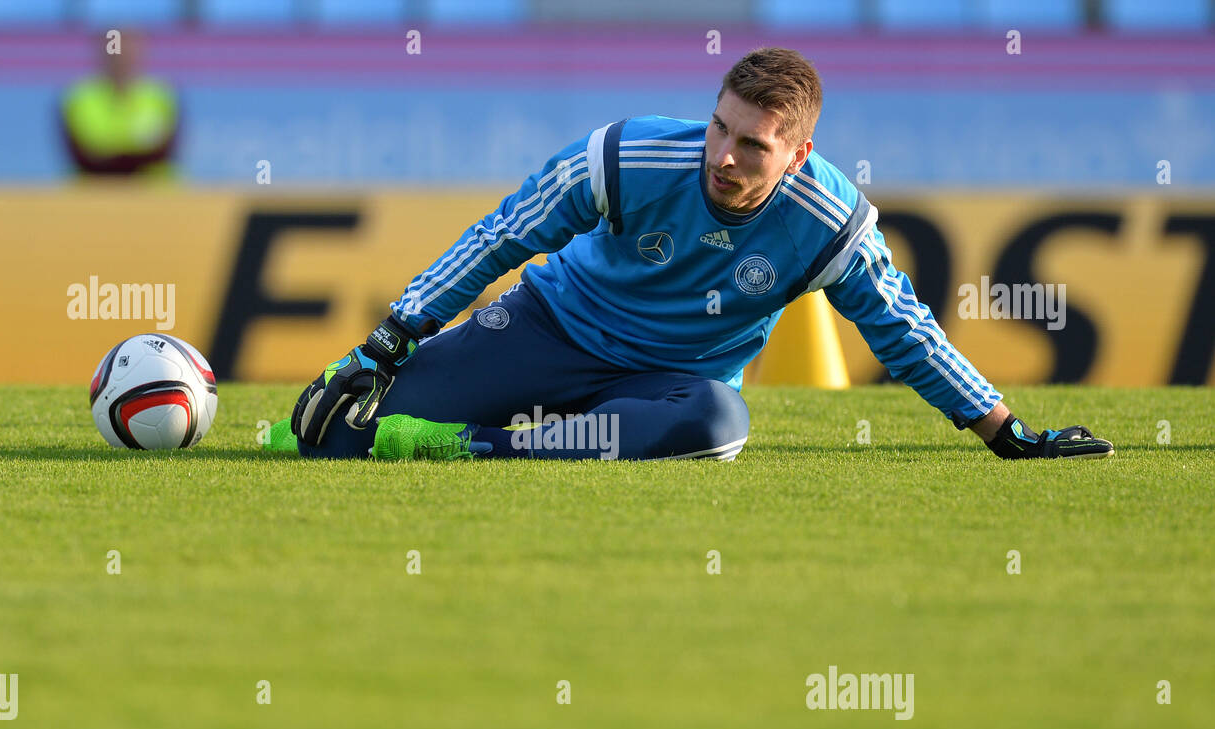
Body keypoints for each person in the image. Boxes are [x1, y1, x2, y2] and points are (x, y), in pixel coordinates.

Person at [283, 47, 1112, 462]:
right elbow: (500, 236)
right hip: (548, 326)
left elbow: (904, 329)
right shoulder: (624, 158)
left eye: (751, 145)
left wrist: (1010, 434)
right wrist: (388, 339)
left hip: (670, 384)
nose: (722, 156)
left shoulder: (829, 221)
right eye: (719, 128)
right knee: (327, 441)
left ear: (799, 154)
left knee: (718, 426)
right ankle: (469, 415)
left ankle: (474, 445)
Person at [60, 31, 178, 178]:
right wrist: (133, 157)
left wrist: (112, 156)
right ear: (103, 53)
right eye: (116, 51)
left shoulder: (161, 97)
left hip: (153, 194)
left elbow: (163, 152)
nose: (122, 58)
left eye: (129, 49)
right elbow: (83, 157)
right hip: (96, 193)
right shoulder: (79, 99)